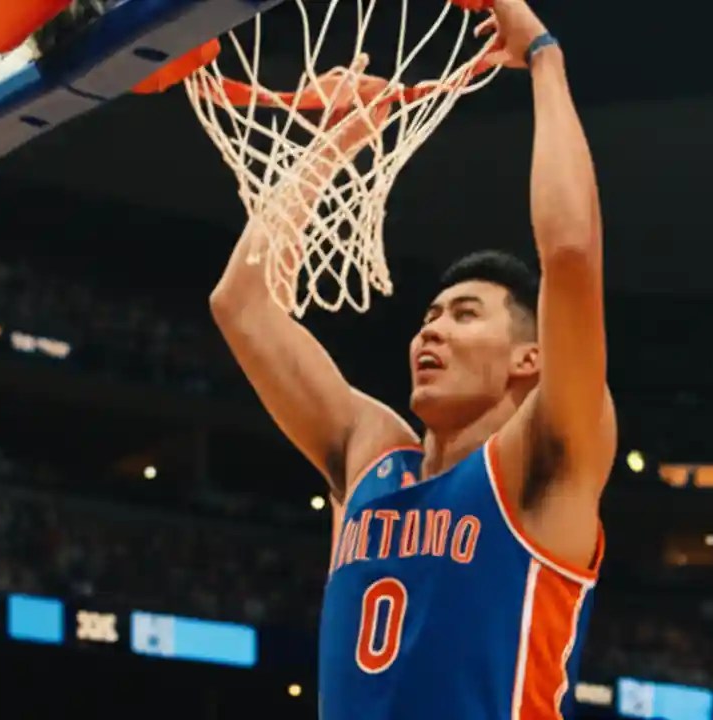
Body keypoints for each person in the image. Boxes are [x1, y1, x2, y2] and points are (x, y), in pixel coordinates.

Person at [209, 0, 614, 716]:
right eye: (428, 316)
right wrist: (336, 144)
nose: (431, 332)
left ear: (529, 360)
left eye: (464, 316)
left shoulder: (540, 465)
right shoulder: (374, 456)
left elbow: (572, 254)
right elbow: (242, 306)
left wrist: (544, 56)